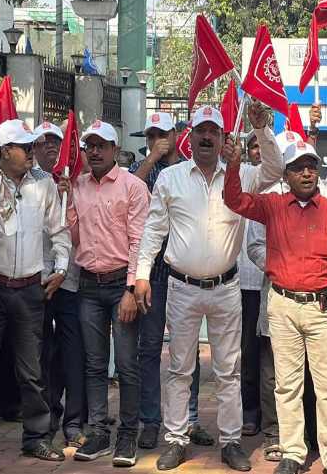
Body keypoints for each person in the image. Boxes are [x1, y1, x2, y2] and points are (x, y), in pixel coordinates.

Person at [135, 103, 283, 471]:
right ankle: (175, 439)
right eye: (200, 130)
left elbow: (276, 169)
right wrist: (140, 274)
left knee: (228, 370)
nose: (205, 136)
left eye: (213, 131)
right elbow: (153, 229)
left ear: (222, 139)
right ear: (190, 137)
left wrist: (262, 129)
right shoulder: (171, 178)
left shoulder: (241, 175)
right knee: (180, 369)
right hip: (181, 287)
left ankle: (231, 442)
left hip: (226, 288)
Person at [224, 140, 327, 474]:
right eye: (298, 167)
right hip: (282, 305)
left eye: (311, 166)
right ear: (287, 174)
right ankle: (293, 450)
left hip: (323, 307)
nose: (306, 172)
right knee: (287, 383)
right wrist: (233, 166)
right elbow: (234, 200)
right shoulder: (273, 205)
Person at [0, 119, 69, 469]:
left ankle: (36, 438)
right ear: (5, 151)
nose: (32, 154)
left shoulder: (43, 186)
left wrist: (61, 267)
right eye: (26, 148)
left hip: (29, 287)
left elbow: (59, 229)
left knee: (32, 370)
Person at [60, 120, 149, 466]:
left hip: (120, 285)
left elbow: (139, 242)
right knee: (94, 364)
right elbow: (75, 238)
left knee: (126, 364)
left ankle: (128, 434)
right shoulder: (78, 186)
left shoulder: (133, 187)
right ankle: (98, 432)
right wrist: (66, 198)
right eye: (89, 146)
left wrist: (131, 288)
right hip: (88, 285)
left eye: (101, 145)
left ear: (115, 149)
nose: (94, 152)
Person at [129, 111, 213, 450]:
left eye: (162, 134)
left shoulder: (189, 170)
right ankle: (151, 420)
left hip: (181, 274)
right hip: (152, 274)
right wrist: (152, 156)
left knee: (186, 350)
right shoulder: (144, 169)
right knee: (149, 349)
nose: (156, 140)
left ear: (179, 134)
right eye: (150, 136)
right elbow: (131, 190)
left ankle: (190, 420)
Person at [31, 120, 86, 447]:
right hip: (39, 276)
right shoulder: (30, 183)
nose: (52, 146)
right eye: (44, 141)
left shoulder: (77, 180)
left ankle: (74, 420)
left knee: (71, 350)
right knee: (40, 352)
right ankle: (45, 414)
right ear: (34, 148)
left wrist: (70, 198)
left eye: (57, 140)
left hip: (72, 279)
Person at [238, 131, 280, 449]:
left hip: (276, 283)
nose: (256, 151)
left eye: (261, 146)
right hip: (244, 281)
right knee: (249, 353)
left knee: (276, 357)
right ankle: (250, 411)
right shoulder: (242, 179)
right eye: (252, 146)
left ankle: (278, 420)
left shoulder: (280, 183)